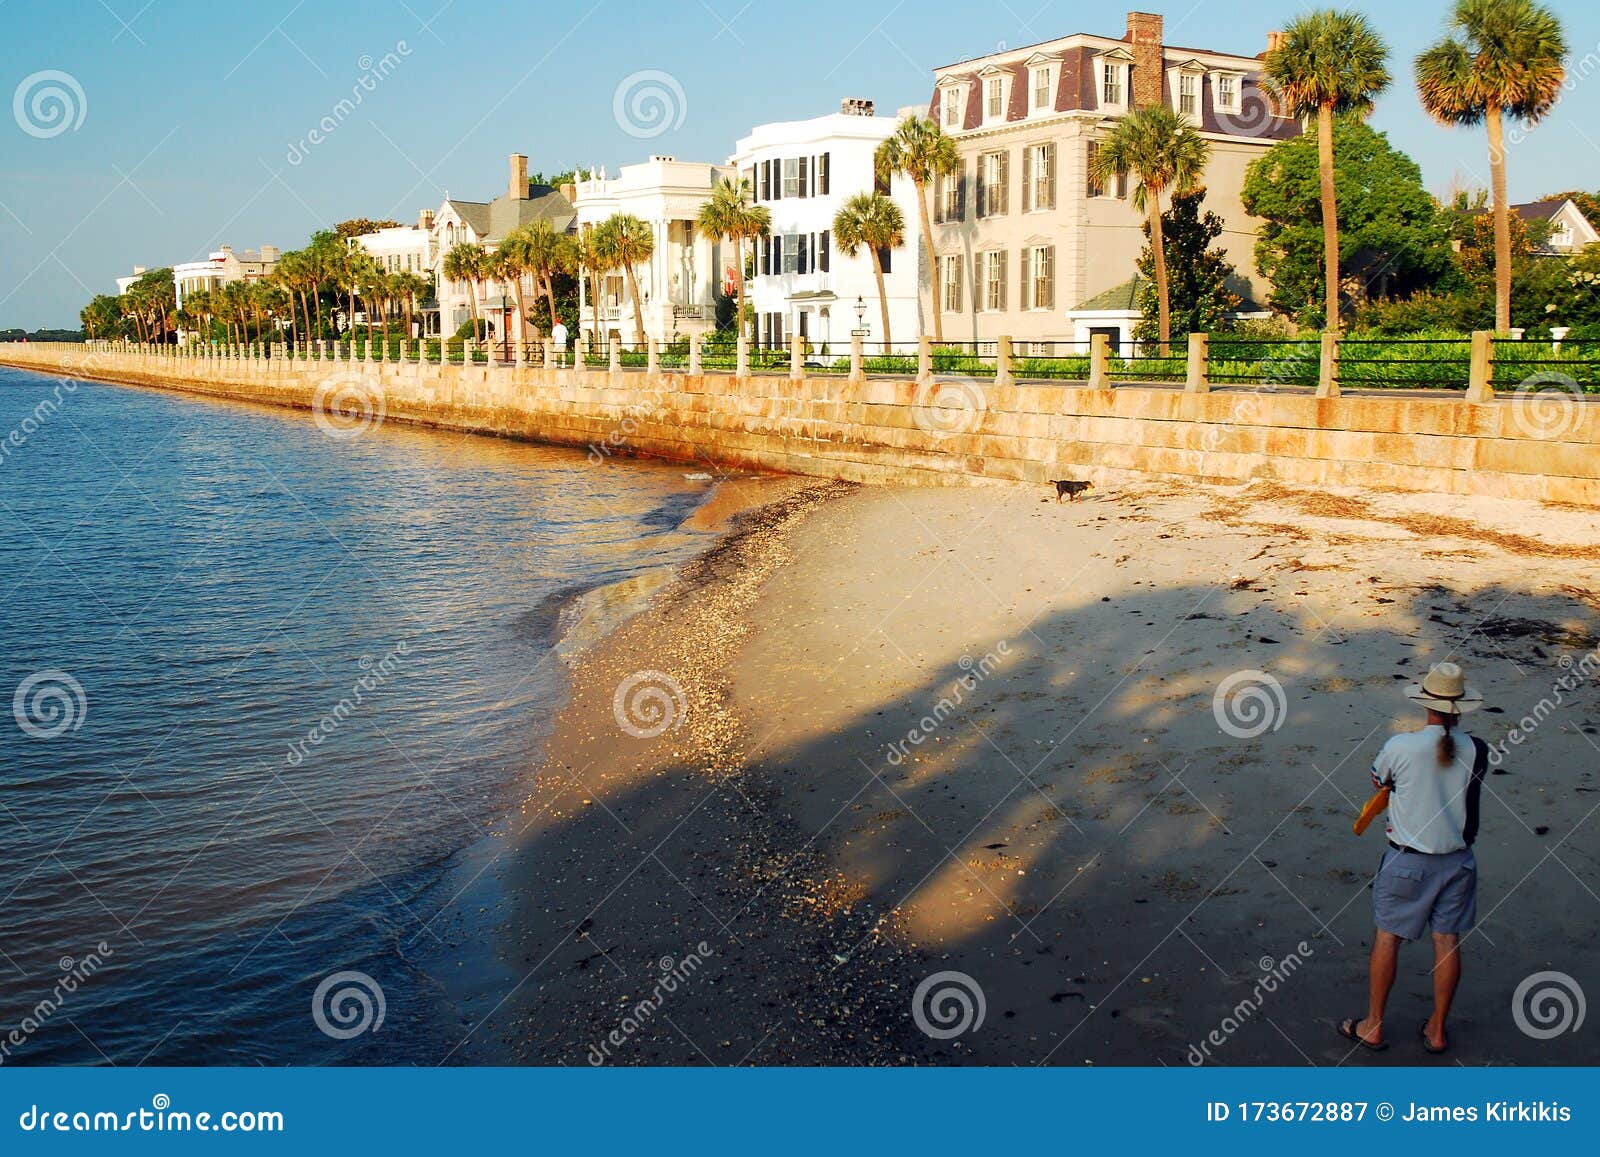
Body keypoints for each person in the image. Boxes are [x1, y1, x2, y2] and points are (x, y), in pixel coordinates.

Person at [1339, 661, 1488, 1056]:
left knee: (1388, 937)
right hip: (1458, 862)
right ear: (1460, 707)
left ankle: (1373, 1025)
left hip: (1407, 861)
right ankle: (1437, 1029)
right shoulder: (1478, 751)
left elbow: (1378, 781)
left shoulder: (1399, 746)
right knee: (1447, 941)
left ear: (1426, 703)